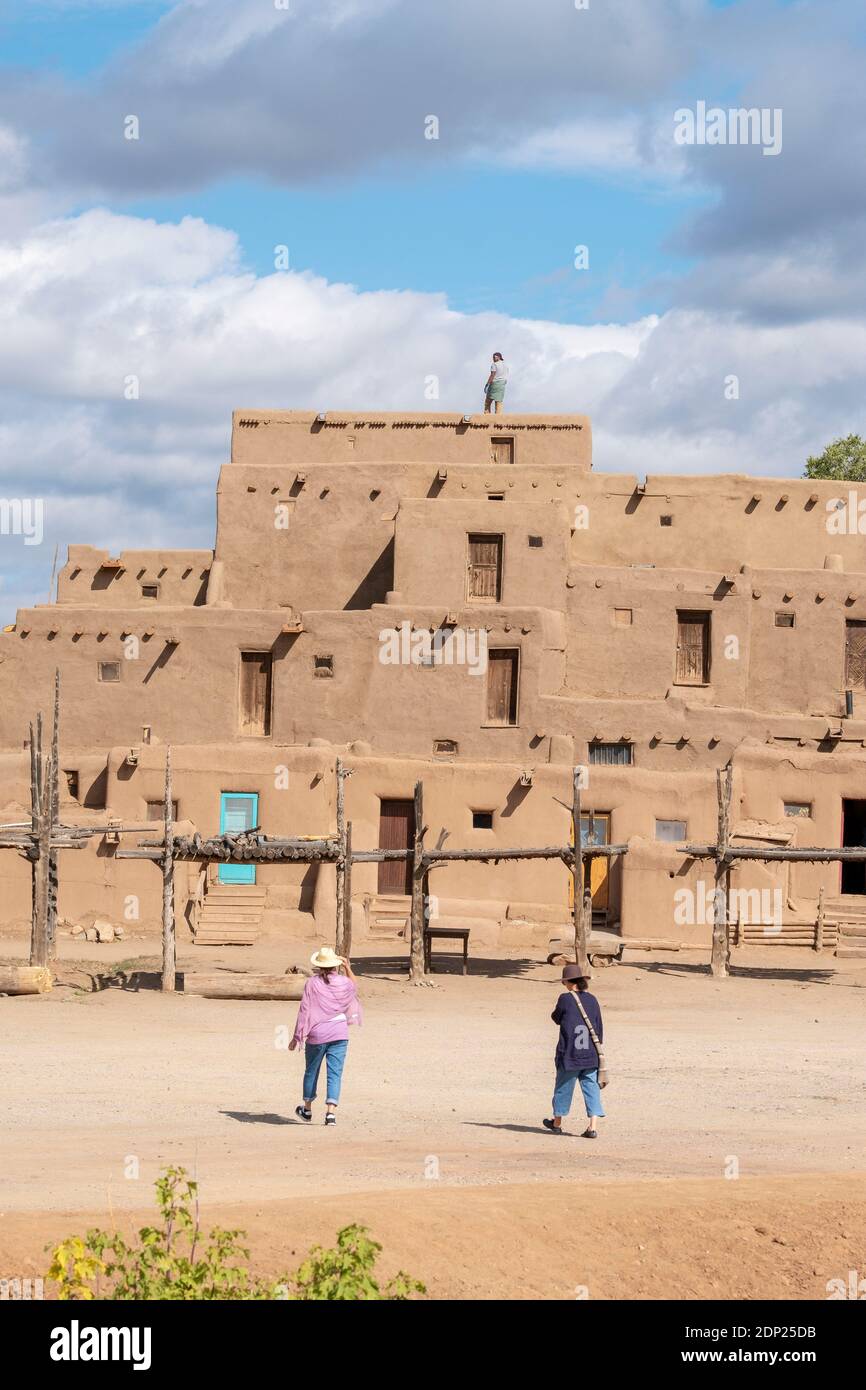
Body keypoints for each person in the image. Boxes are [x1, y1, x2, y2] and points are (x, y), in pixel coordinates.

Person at [289, 946, 361, 1126]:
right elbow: (355, 986)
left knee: (311, 1071)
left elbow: (304, 1010)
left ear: (319, 967)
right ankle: (331, 1114)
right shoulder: (344, 982)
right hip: (340, 1033)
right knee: (335, 1073)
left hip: (317, 1034)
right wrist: (348, 967)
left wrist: (297, 1036)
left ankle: (307, 1109)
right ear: (336, 965)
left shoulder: (312, 983)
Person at [542, 964, 605, 1138]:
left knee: (563, 1087)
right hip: (590, 1054)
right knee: (591, 1088)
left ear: (569, 982)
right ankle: (592, 1127)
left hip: (570, 1054)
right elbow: (599, 1027)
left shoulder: (565, 998)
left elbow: (556, 1017)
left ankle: (557, 1123)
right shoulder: (592, 999)